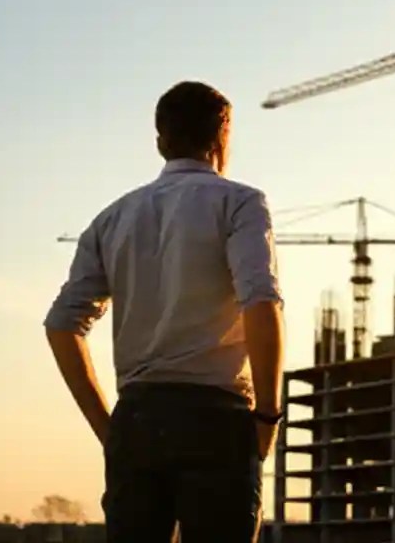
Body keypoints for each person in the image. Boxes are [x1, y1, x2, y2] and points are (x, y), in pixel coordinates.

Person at [43, 81, 284, 542]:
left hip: (138, 417)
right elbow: (261, 302)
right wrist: (268, 417)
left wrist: (107, 428)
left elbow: (61, 325)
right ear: (223, 137)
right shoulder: (240, 203)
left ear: (160, 141)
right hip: (217, 417)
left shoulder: (111, 218)